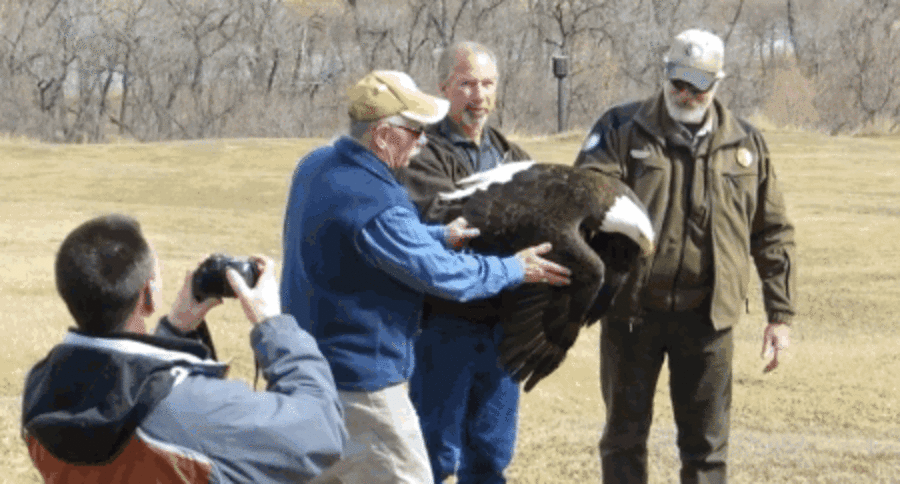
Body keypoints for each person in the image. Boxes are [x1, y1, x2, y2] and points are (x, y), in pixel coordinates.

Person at [279, 70, 571, 484]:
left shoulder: (316, 165)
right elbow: (443, 275)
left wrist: (437, 235)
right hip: (361, 382)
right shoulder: (376, 200)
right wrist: (513, 268)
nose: (422, 141)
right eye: (415, 131)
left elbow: (362, 237)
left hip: (310, 366)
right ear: (383, 136)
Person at [574, 29, 796, 483]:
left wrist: (780, 315)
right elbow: (583, 197)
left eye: (699, 85)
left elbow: (772, 232)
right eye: (678, 82)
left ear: (718, 82)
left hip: (708, 320)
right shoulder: (620, 128)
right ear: (665, 74)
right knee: (623, 439)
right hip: (632, 314)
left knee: (707, 450)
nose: (686, 94)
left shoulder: (746, 143)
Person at [21, 214, 346, 483]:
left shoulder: (40, 388)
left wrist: (176, 330)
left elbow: (120, 390)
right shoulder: (197, 409)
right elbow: (321, 431)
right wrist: (273, 325)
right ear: (148, 295)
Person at [393, 41, 530, 484]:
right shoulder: (423, 154)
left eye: (488, 84)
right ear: (443, 87)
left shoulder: (513, 157)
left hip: (503, 326)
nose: (479, 95)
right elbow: (447, 218)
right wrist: (516, 218)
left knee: (491, 454)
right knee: (433, 454)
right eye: (467, 84)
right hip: (444, 324)